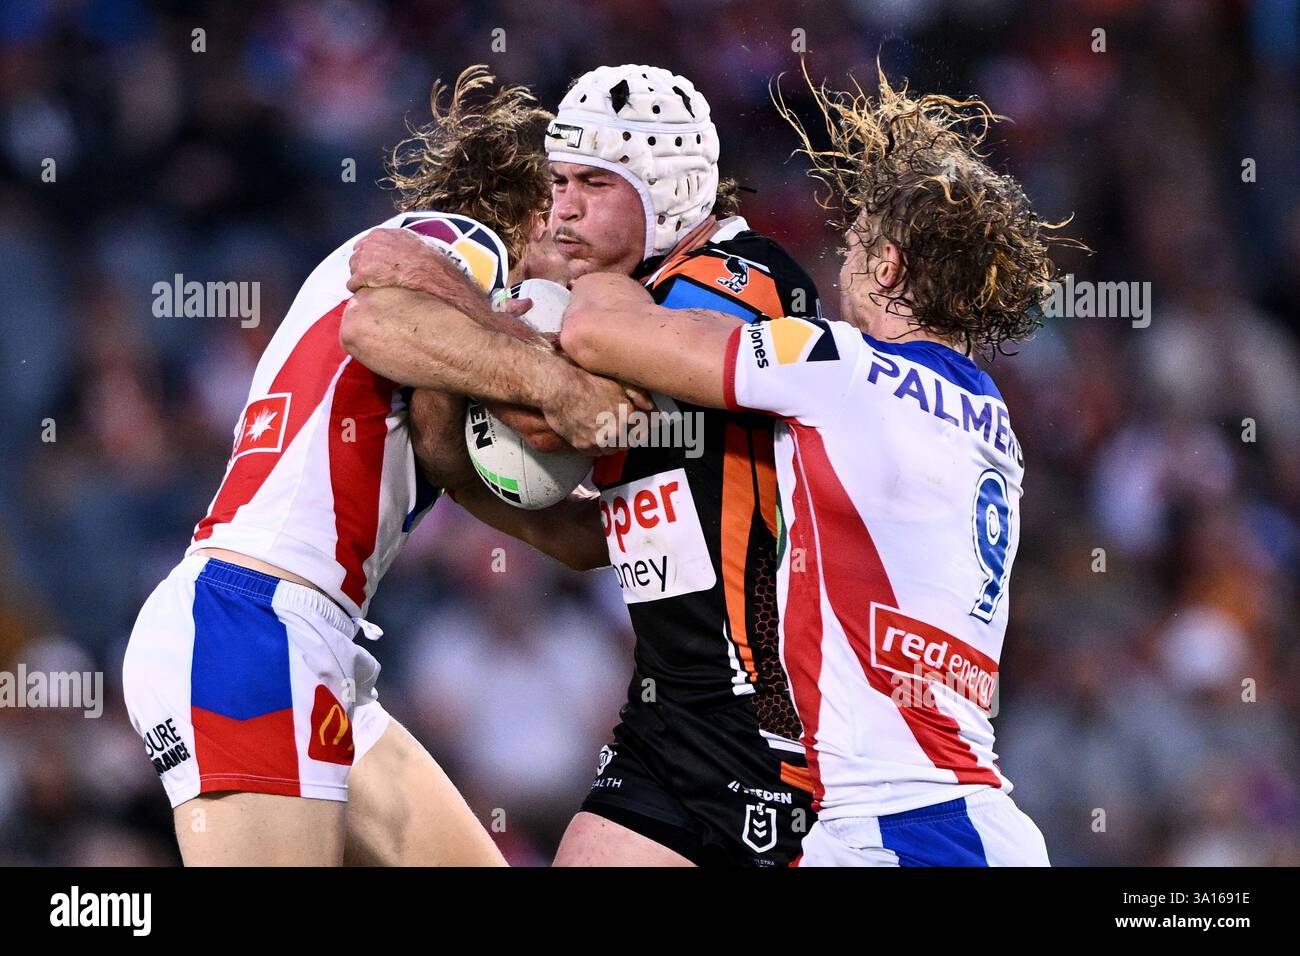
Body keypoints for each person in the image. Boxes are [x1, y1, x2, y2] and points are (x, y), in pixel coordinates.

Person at [554, 66, 1069, 866]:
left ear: (891, 269)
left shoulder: (840, 364)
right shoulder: (993, 420)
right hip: (930, 814)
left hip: (902, 826)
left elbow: (596, 335)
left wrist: (618, 256)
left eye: (858, 243)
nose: (840, 264)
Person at [120, 66, 633, 866]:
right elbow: (378, 311)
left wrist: (675, 508)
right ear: (536, 205)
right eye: (571, 213)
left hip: (305, 641)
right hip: (252, 623)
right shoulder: (462, 244)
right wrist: (555, 378)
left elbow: (507, 501)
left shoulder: (447, 335)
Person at [341, 64, 821, 866]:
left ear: (667, 189)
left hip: (776, 724)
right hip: (665, 723)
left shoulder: (749, 280)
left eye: (593, 183)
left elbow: (584, 381)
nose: (562, 207)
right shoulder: (615, 293)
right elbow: (591, 539)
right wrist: (460, 474)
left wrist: (479, 333)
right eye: (558, 181)